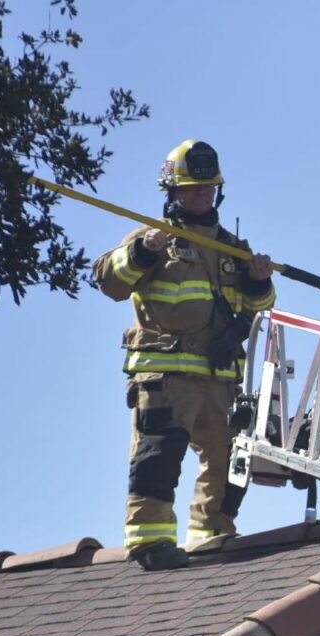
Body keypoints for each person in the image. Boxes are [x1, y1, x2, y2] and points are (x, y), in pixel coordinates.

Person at [92, 140, 276, 570]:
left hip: (221, 380)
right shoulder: (151, 237)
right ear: (173, 191)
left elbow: (258, 309)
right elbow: (109, 281)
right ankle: (150, 543)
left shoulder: (233, 248)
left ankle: (211, 536)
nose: (203, 195)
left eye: (209, 188)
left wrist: (258, 282)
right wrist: (144, 251)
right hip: (166, 379)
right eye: (194, 188)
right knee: (158, 460)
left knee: (231, 464)